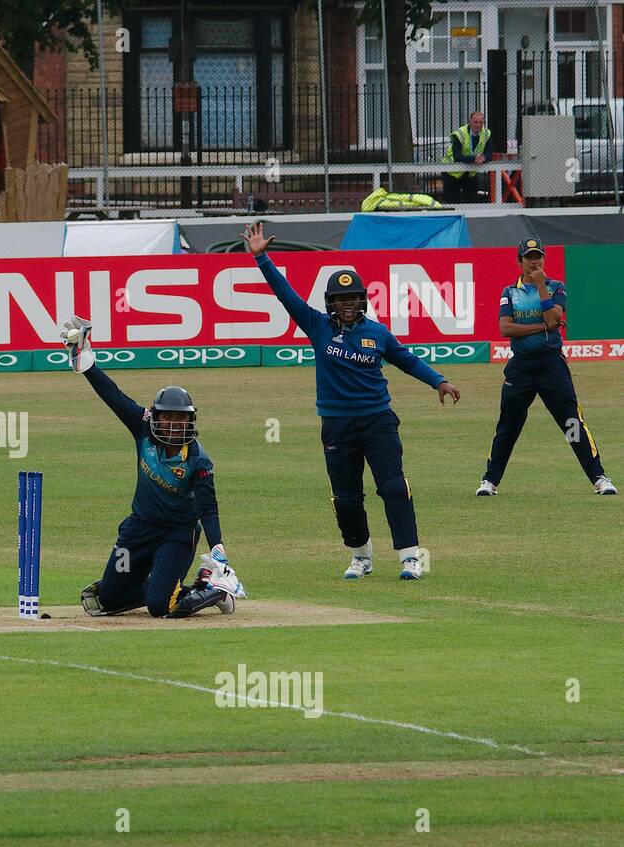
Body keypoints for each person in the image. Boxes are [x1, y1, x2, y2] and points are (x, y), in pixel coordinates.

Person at [242, 222, 462, 580]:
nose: (347, 305)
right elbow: (286, 296)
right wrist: (261, 258)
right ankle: (361, 557)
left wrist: (438, 380)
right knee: (346, 497)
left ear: (362, 301)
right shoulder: (317, 327)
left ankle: (409, 557)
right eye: (340, 300)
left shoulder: (377, 333)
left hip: (378, 420)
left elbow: (406, 359)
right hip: (337, 424)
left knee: (392, 486)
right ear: (331, 303)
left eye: (353, 299)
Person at [60, 319, 241, 618]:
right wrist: (86, 362)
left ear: (190, 421)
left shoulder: (198, 460)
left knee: (160, 607)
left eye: (180, 418)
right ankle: (168, 586)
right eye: (167, 417)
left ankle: (213, 587)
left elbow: (208, 508)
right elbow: (113, 396)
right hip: (137, 531)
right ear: (156, 417)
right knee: (109, 598)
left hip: (177, 534)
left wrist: (217, 546)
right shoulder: (142, 427)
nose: (173, 424)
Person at [476, 238, 615, 497]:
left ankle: (599, 477)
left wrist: (541, 288)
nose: (534, 261)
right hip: (521, 368)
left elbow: (555, 319)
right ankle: (490, 481)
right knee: (508, 425)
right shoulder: (510, 292)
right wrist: (541, 327)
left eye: (537, 256)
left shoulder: (556, 287)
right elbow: (506, 328)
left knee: (572, 423)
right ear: (519, 262)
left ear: (544, 259)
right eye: (528, 257)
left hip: (552, 365)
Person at [442, 111, 492, 204]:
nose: (478, 125)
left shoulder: (486, 133)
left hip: (470, 173)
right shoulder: (460, 134)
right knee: (452, 203)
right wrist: (474, 159)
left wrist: (484, 158)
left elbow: (489, 153)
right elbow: (457, 157)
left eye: (480, 123)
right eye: (475, 122)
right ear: (470, 121)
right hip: (451, 172)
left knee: (471, 202)